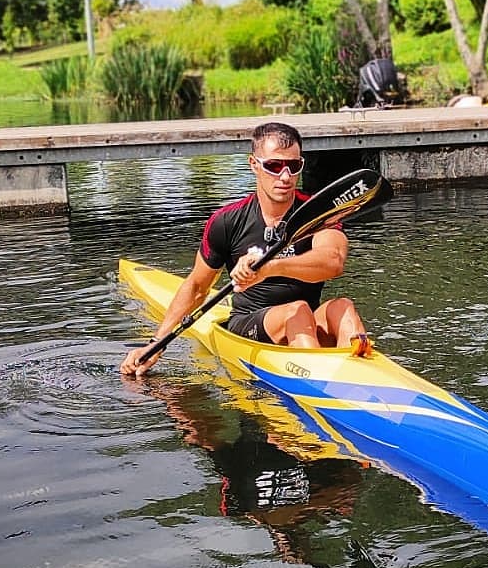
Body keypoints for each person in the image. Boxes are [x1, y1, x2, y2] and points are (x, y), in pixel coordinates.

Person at [121, 121, 370, 377]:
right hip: (248, 323)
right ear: (254, 165)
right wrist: (155, 343)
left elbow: (333, 261)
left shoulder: (319, 214)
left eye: (293, 166)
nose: (285, 177)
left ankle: (363, 371)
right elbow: (197, 287)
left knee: (342, 307)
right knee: (297, 311)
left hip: (304, 320)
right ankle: (321, 382)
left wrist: (268, 268)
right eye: (274, 166)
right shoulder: (227, 221)